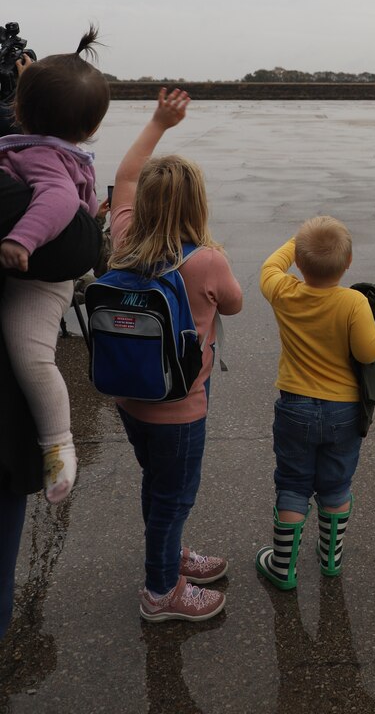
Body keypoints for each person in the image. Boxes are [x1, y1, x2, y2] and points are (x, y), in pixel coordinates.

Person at [109, 88, 242, 624]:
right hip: (181, 405)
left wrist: (158, 123)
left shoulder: (122, 240)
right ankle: (162, 591)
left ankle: (171, 555)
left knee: (157, 483)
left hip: (130, 393)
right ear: (197, 206)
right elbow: (233, 305)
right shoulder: (206, 261)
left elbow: (124, 175)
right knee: (173, 497)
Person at [0, 29, 110, 504]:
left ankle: (58, 446)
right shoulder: (46, 146)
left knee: (33, 357)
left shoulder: (43, 154)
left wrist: (21, 239)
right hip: (47, 272)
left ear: (19, 110)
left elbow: (59, 198)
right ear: (89, 127)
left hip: (38, 286)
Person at [256, 216, 375, 591]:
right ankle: (330, 558)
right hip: (344, 411)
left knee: (294, 484)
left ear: (298, 260)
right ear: (348, 265)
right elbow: (367, 352)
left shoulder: (284, 291)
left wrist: (294, 242)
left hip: (294, 407)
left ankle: (283, 566)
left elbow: (270, 266)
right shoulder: (352, 302)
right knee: (335, 484)